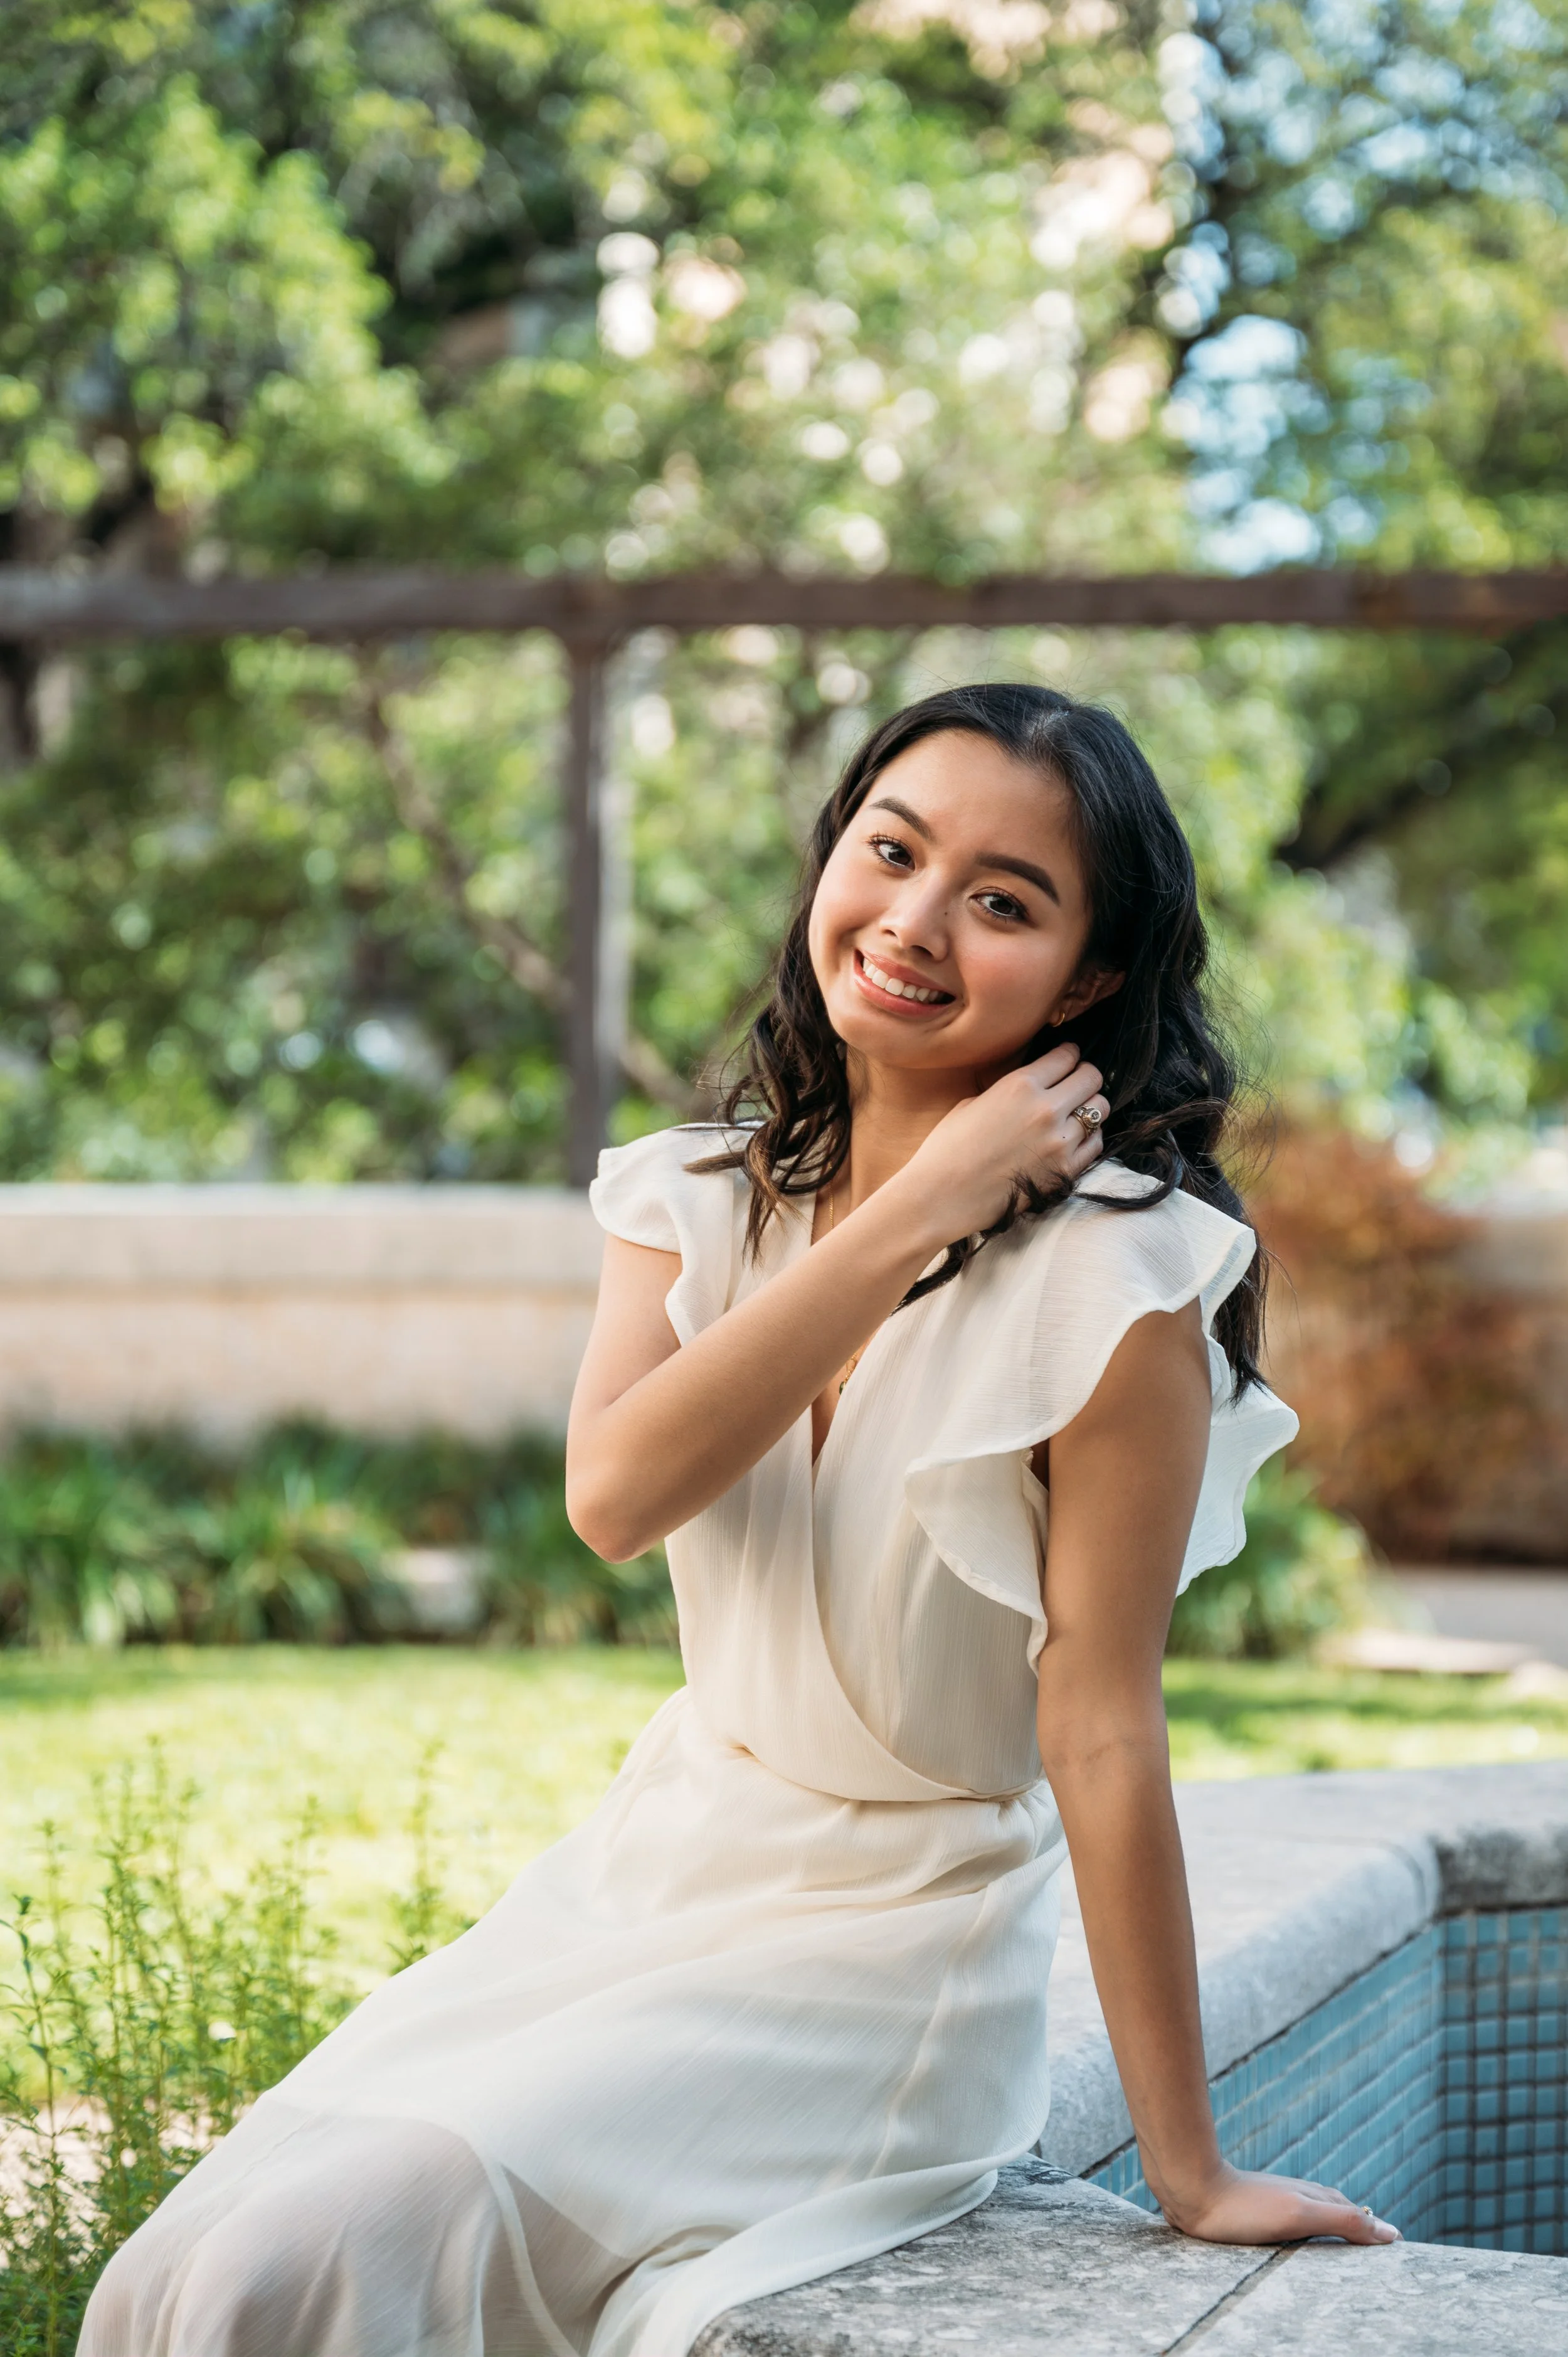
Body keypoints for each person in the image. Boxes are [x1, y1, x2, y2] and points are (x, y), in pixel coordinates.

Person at [80, 683, 1398, 2357]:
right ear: (829, 856)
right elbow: (619, 1496)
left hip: (891, 1950)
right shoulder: (692, 1198)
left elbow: (1103, 1724)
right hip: (658, 1869)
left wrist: (1189, 2167)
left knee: (335, 2248)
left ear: (1090, 979)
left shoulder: (1117, 1281)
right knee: (207, 2252)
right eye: (890, 851)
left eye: (1002, 901)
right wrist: (916, 1204)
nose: (914, 922)